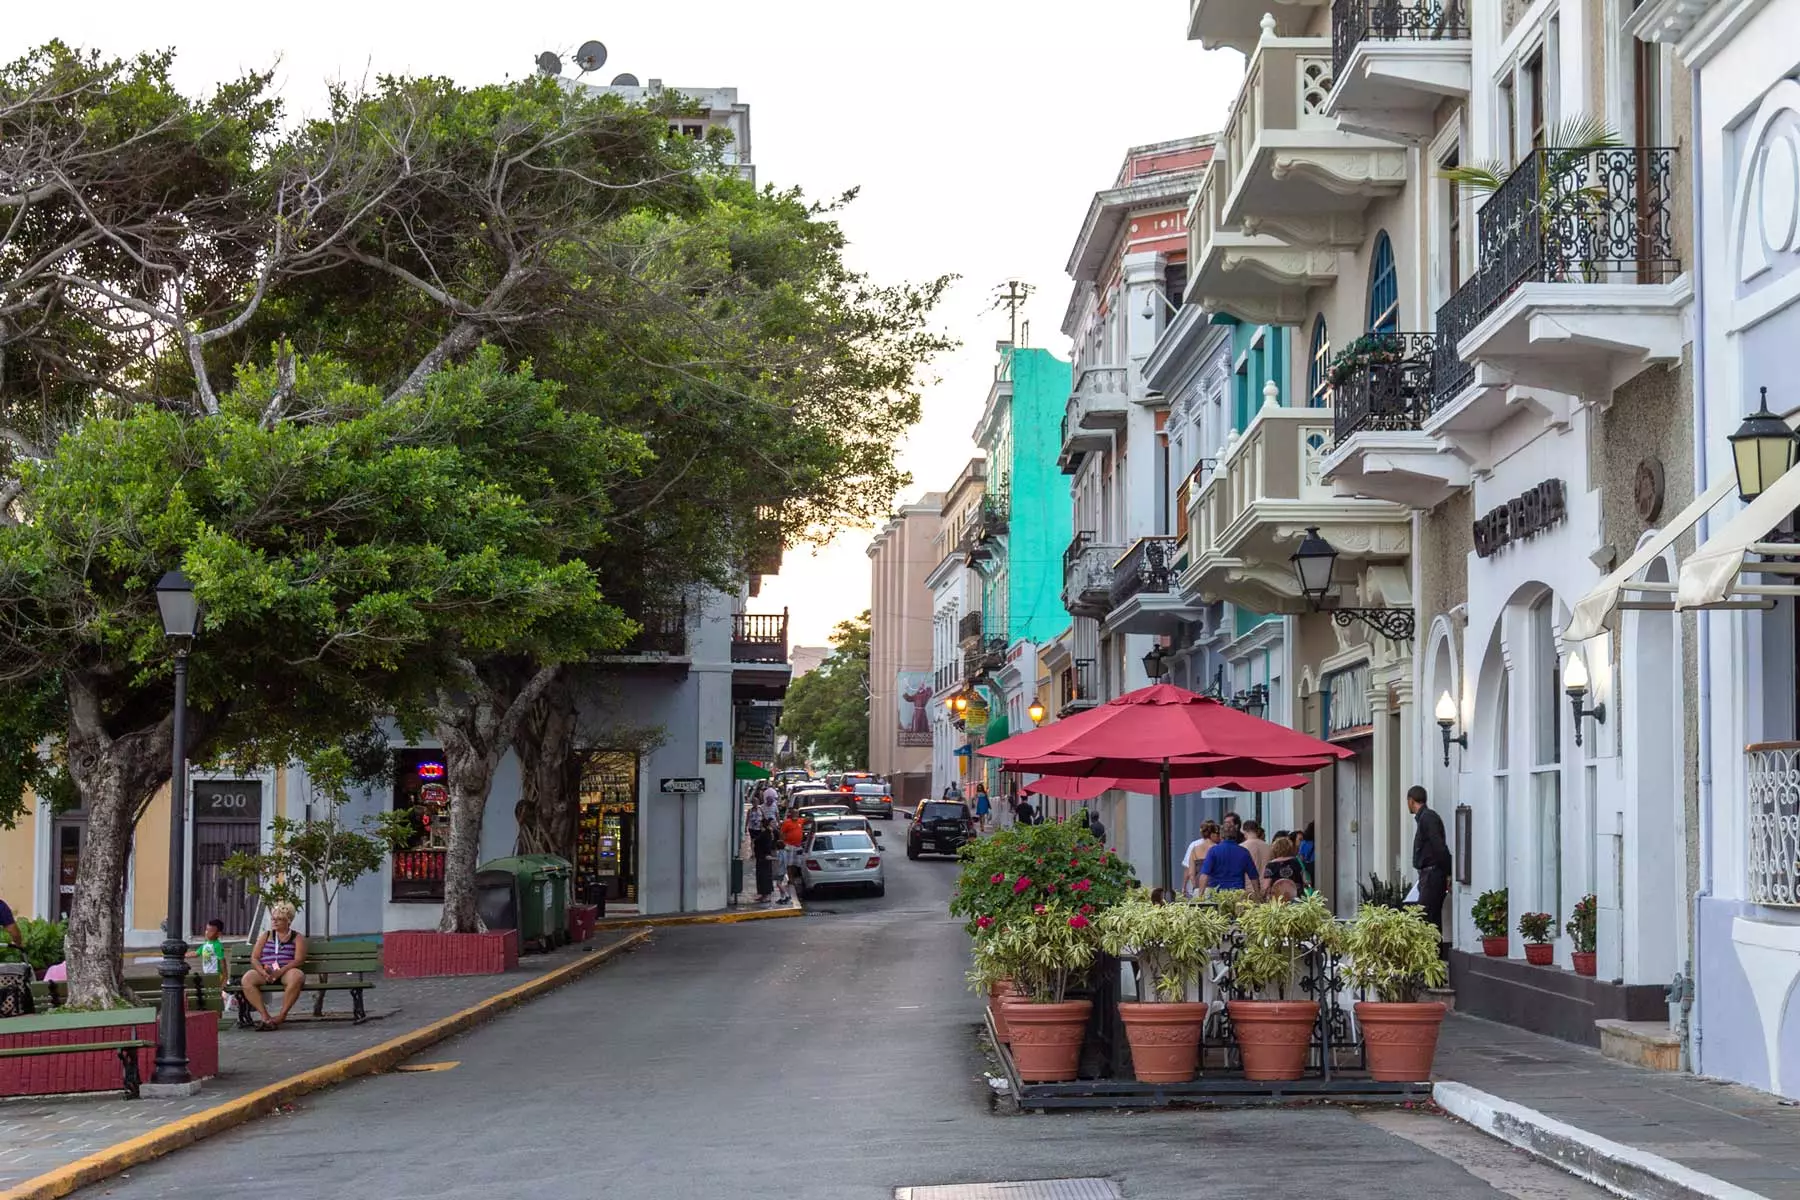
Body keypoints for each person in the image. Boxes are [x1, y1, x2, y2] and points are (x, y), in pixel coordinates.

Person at [241, 902, 307, 1030]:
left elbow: (299, 960)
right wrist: (262, 971)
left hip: (285, 971)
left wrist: (281, 971)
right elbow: (254, 958)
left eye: (280, 919)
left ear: (288, 921)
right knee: (247, 978)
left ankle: (282, 1015)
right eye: (273, 919)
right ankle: (265, 1016)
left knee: (297, 976)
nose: (275, 922)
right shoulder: (266, 935)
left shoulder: (297, 937)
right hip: (266, 970)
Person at [1409, 786, 1452, 935]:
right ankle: (1434, 955)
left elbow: (1439, 846)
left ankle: (1433, 955)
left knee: (1426, 918)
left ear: (1411, 801)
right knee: (1431, 918)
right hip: (1429, 874)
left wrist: (1448, 873)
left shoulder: (1428, 818)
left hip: (1432, 875)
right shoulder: (1425, 818)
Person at [1197, 824, 1261, 898]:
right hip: (1237, 895)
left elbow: (1204, 875)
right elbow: (1254, 877)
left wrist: (1200, 896)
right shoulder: (1244, 852)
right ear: (1236, 835)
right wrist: (1258, 895)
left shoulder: (1213, 851)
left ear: (1221, 835)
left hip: (1217, 894)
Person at [1263, 836, 1308, 901]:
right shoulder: (1297, 862)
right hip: (1296, 899)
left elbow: (1266, 886)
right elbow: (1305, 880)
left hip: (1277, 901)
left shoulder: (1271, 865)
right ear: (1290, 848)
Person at [1181, 824, 1214, 897]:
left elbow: (1191, 873)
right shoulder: (1216, 848)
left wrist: (1195, 885)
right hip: (1214, 887)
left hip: (1198, 887)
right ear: (1212, 833)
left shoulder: (1195, 849)